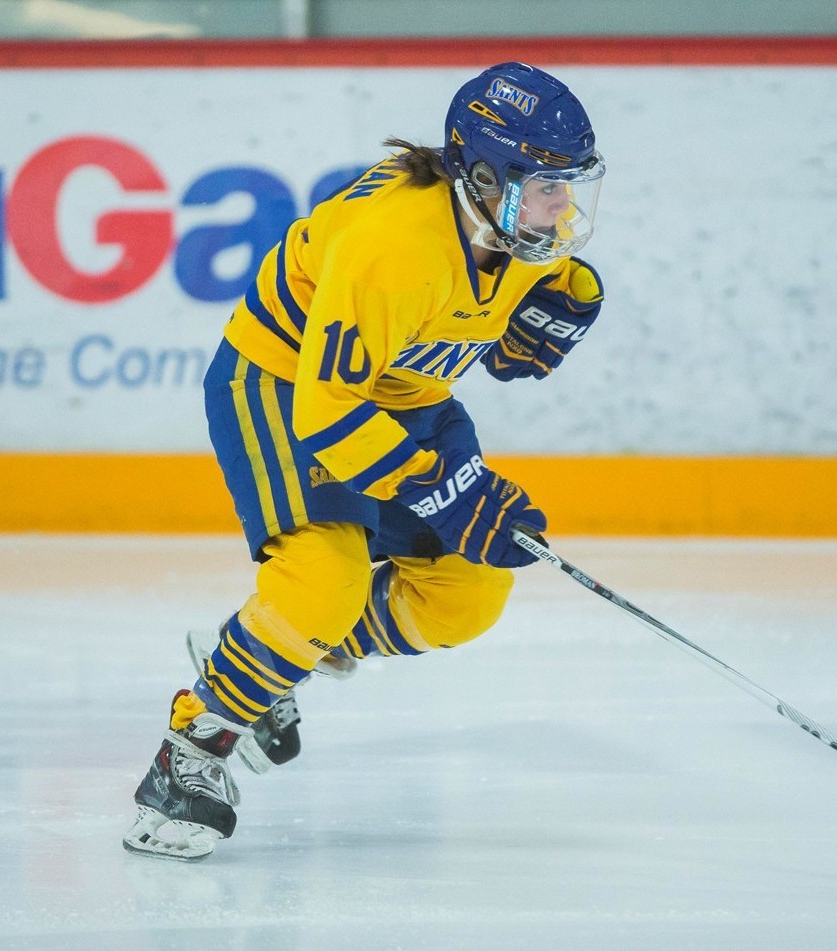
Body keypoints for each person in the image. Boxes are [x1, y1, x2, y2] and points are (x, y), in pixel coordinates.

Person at [122, 62, 606, 861]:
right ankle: (190, 753)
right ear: (486, 178)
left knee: (467, 592)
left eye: (570, 185)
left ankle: (271, 649)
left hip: (403, 391)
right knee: (325, 582)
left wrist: (572, 288)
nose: (563, 207)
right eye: (549, 185)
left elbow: (540, 279)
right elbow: (327, 410)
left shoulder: (510, 225)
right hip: (283, 384)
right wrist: (445, 493)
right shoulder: (394, 247)